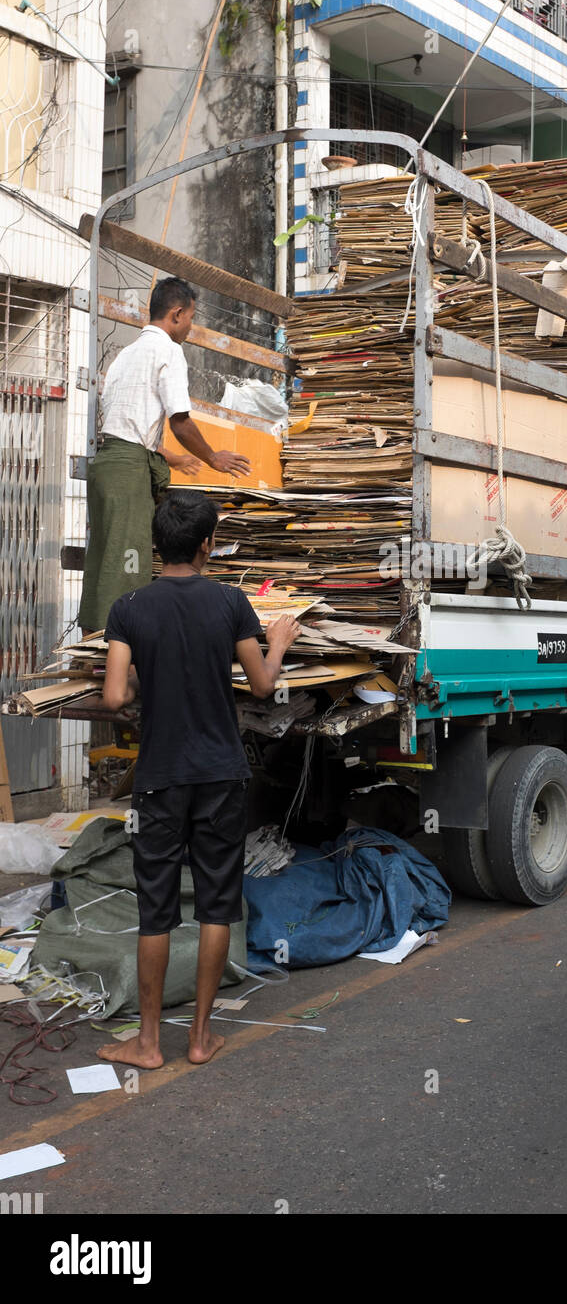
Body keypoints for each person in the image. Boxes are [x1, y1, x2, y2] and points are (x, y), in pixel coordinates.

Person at [96, 490, 300, 1070]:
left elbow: (114, 695)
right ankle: (200, 1038)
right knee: (216, 904)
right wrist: (278, 645)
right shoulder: (230, 603)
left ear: (157, 547)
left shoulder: (128, 607)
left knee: (155, 908)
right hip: (220, 774)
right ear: (207, 544)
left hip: (160, 778)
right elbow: (262, 686)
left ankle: (149, 1042)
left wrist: (141, 680)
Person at [78, 276, 252, 632]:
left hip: (108, 463)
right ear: (176, 314)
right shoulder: (168, 350)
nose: (191, 325)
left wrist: (170, 461)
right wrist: (212, 458)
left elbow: (134, 426)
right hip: (127, 471)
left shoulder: (126, 354)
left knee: (103, 559)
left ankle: (90, 649)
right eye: (190, 316)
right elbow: (181, 422)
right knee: (128, 562)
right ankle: (119, 656)